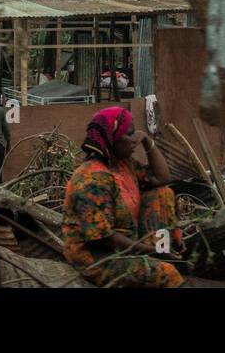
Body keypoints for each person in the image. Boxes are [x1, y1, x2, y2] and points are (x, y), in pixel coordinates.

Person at [62, 106, 184, 287]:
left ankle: (165, 250)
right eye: (130, 134)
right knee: (167, 274)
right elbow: (103, 239)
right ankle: (160, 258)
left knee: (163, 193)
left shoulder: (124, 165)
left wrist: (147, 140)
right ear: (113, 138)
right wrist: (152, 252)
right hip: (97, 257)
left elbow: (162, 178)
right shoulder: (92, 179)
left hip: (127, 240)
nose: (134, 140)